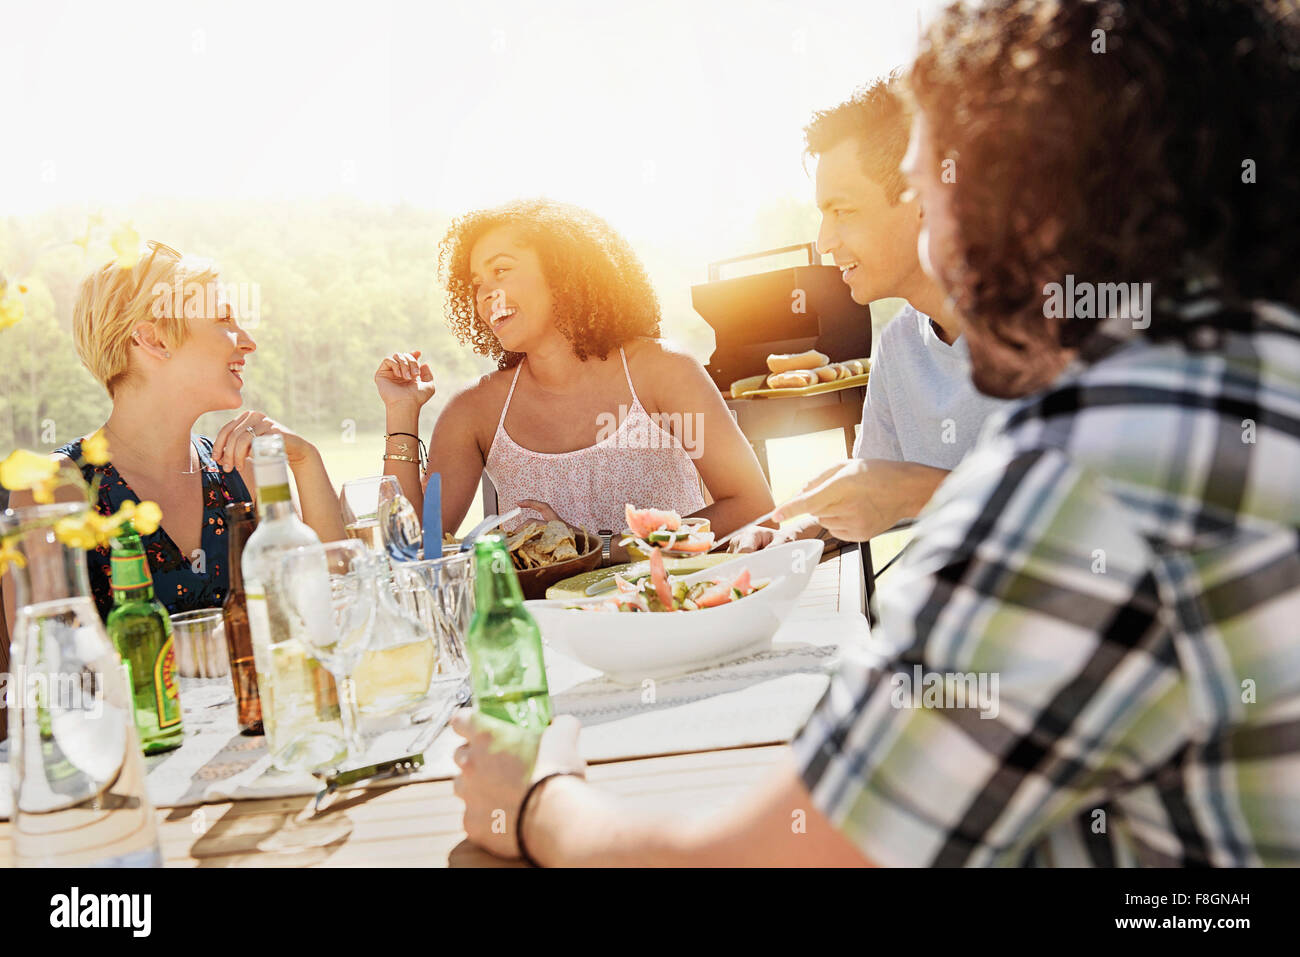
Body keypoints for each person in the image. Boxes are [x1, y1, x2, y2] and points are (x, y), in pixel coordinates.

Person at [451, 0, 1300, 866]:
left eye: (931, 186)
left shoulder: (1089, 472)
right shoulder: (1249, 370)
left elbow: (759, 864)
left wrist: (532, 801)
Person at [374, 198, 773, 544]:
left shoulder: (663, 372)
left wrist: (599, 549)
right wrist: (402, 413)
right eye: (477, 282)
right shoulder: (473, 412)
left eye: (501, 270)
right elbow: (415, 549)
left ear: (562, 272)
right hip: (549, 632)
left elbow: (752, 506)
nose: (484, 294)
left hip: (672, 616)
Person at [2, 241, 344, 626]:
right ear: (155, 340)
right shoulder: (52, 490)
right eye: (223, 320)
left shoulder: (241, 470)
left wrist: (305, 461)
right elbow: (52, 668)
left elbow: (334, 606)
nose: (248, 341)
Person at [732, 76, 1007, 551]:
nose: (824, 241)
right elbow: (871, 495)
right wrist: (789, 533)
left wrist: (913, 491)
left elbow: (1097, 507)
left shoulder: (1053, 318)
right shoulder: (899, 346)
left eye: (843, 211)